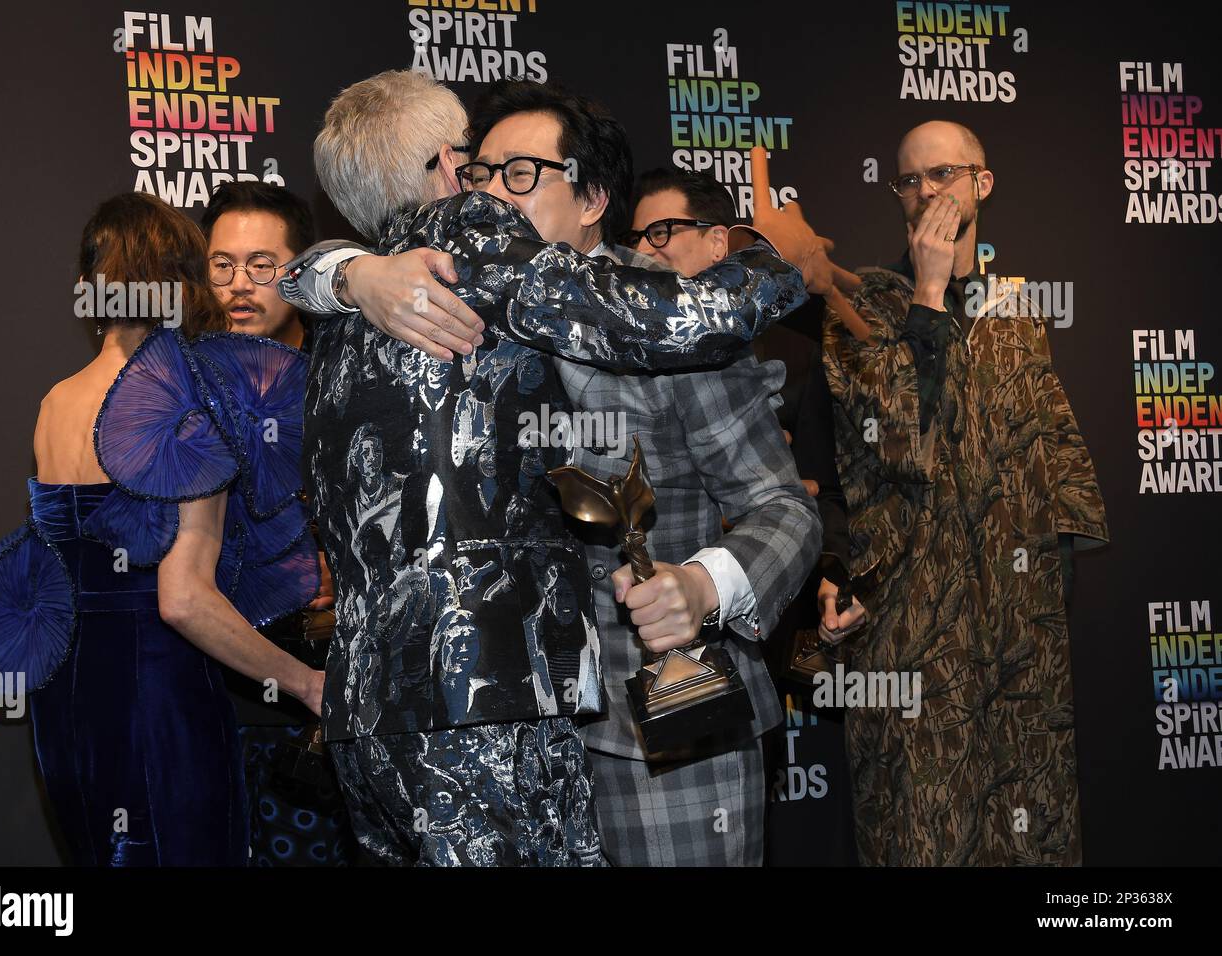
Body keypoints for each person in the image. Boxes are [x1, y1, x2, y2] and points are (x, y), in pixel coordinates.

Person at [279, 70, 836, 866]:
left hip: (669, 718)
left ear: (592, 198)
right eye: (477, 175)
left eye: (520, 177)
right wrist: (348, 273)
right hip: (512, 726)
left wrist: (709, 585)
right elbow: (310, 266)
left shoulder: (668, 315)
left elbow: (783, 504)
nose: (491, 201)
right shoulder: (423, 300)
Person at [0, 192, 324, 866]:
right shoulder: (187, 403)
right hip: (162, 694)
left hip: (72, 698)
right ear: (184, 284)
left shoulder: (55, 402)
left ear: (92, 288)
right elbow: (183, 599)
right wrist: (309, 684)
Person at [822, 120, 1109, 865]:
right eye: (909, 181)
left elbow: (1055, 446)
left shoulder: (1016, 313)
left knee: (1030, 823)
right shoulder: (863, 308)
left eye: (943, 175)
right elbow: (896, 442)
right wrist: (927, 292)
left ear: (982, 183)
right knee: (925, 828)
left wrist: (1055, 568)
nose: (925, 193)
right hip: (915, 629)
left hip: (1019, 629)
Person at [628, 165, 857, 865]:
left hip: (752, 652)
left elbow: (829, 491)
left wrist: (828, 573)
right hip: (640, 674)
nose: (647, 250)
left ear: (722, 242)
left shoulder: (796, 349)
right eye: (636, 237)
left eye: (665, 231)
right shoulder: (619, 350)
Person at [201, 181, 354, 867]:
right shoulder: (174, 392)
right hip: (220, 706)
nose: (239, 285)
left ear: (299, 271)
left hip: (342, 705)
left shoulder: (353, 379)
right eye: (221, 264)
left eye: (262, 266)